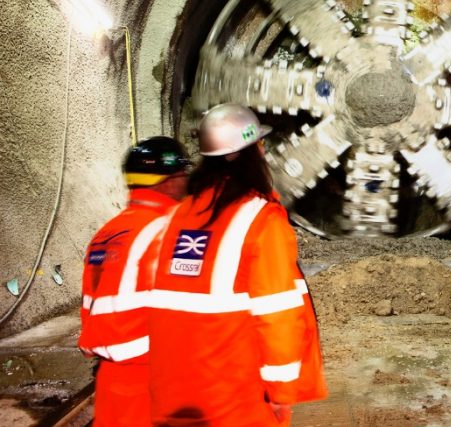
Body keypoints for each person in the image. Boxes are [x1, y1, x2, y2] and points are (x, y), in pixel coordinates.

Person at [145, 103, 327, 426]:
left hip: (172, 397)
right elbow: (278, 316)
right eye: (259, 144)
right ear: (250, 154)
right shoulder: (260, 221)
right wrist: (281, 394)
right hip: (234, 400)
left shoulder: (174, 218)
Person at [79, 136, 191, 427]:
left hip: (110, 384)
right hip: (156, 382)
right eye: (183, 175)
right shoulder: (171, 232)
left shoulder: (105, 234)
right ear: (168, 181)